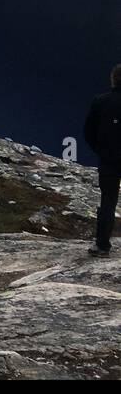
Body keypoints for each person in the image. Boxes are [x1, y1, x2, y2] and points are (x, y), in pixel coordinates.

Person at [83, 64, 121, 256]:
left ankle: (102, 245)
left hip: (109, 161)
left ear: (113, 80)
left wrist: (101, 151)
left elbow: (88, 132)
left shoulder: (101, 101)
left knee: (108, 201)